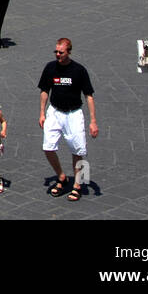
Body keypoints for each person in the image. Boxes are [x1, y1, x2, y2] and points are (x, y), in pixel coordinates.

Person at [39, 38, 98, 202]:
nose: (58, 55)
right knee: (48, 147)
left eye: (61, 52)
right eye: (56, 52)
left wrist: (93, 121)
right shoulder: (50, 68)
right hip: (55, 112)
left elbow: (89, 96)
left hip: (73, 113)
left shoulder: (79, 70)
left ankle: (78, 185)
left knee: (78, 150)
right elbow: (44, 91)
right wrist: (42, 113)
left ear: (69, 52)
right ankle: (62, 176)